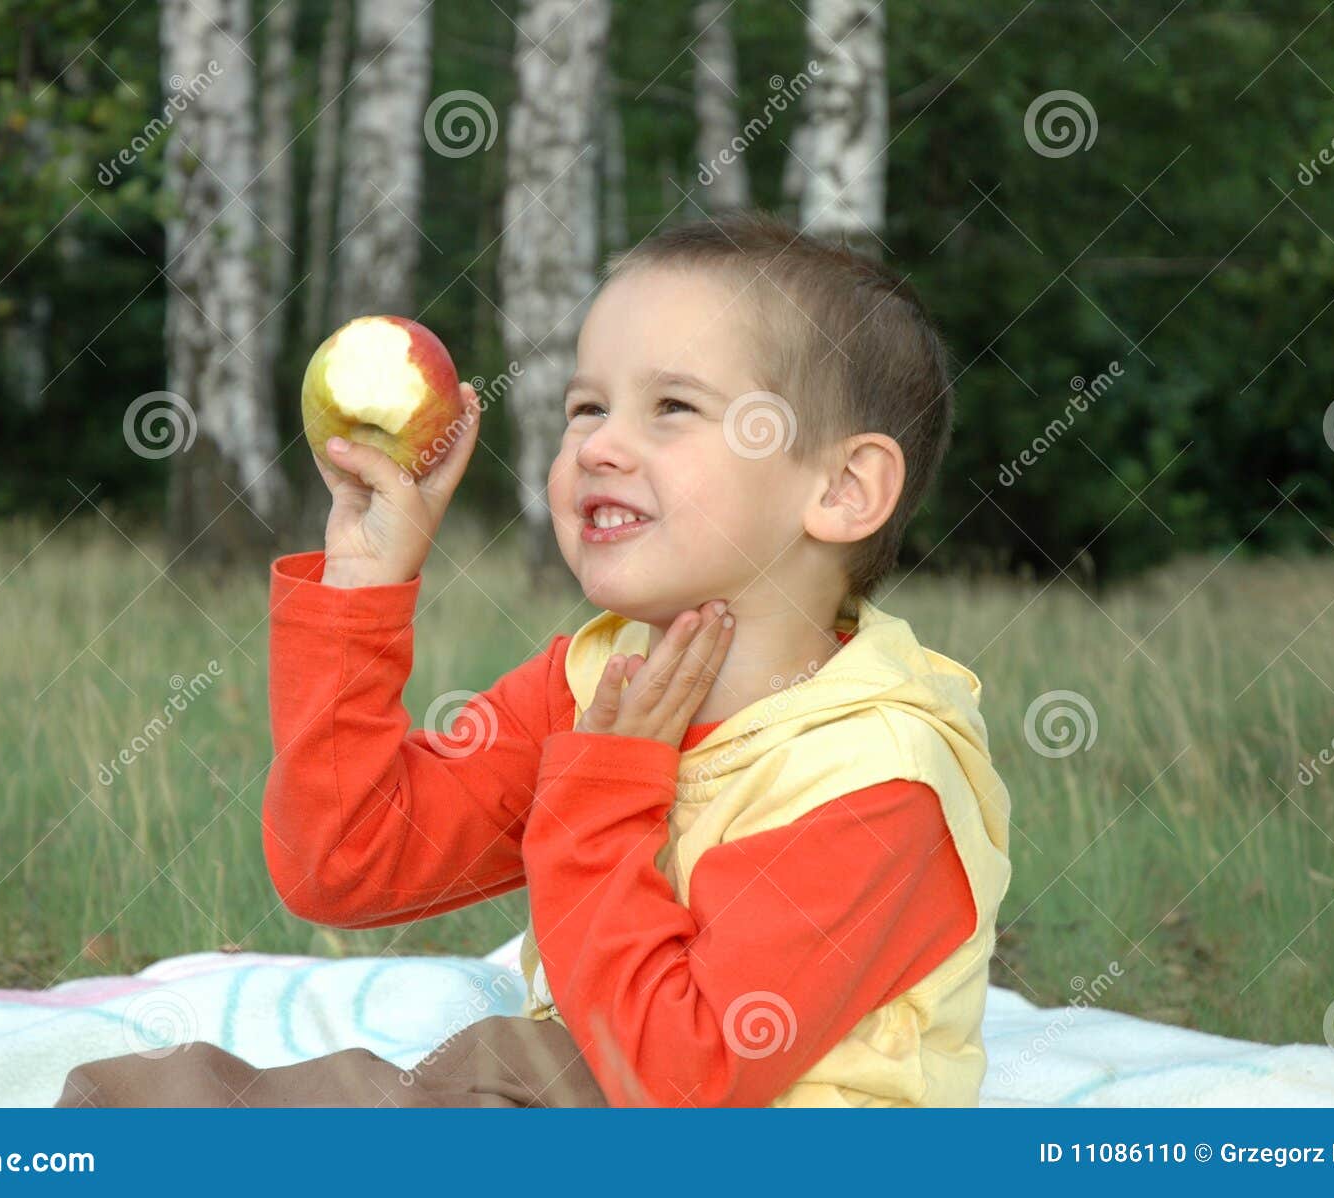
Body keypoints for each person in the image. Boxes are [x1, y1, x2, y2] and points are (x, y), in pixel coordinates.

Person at [55, 210, 1011, 1108]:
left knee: (482, 1078)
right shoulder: (588, 686)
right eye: (585, 407)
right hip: (567, 1096)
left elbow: (682, 1082)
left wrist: (602, 794)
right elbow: (344, 865)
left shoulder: (881, 780)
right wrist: (364, 589)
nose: (599, 446)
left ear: (844, 488)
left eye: (672, 405)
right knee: (166, 1102)